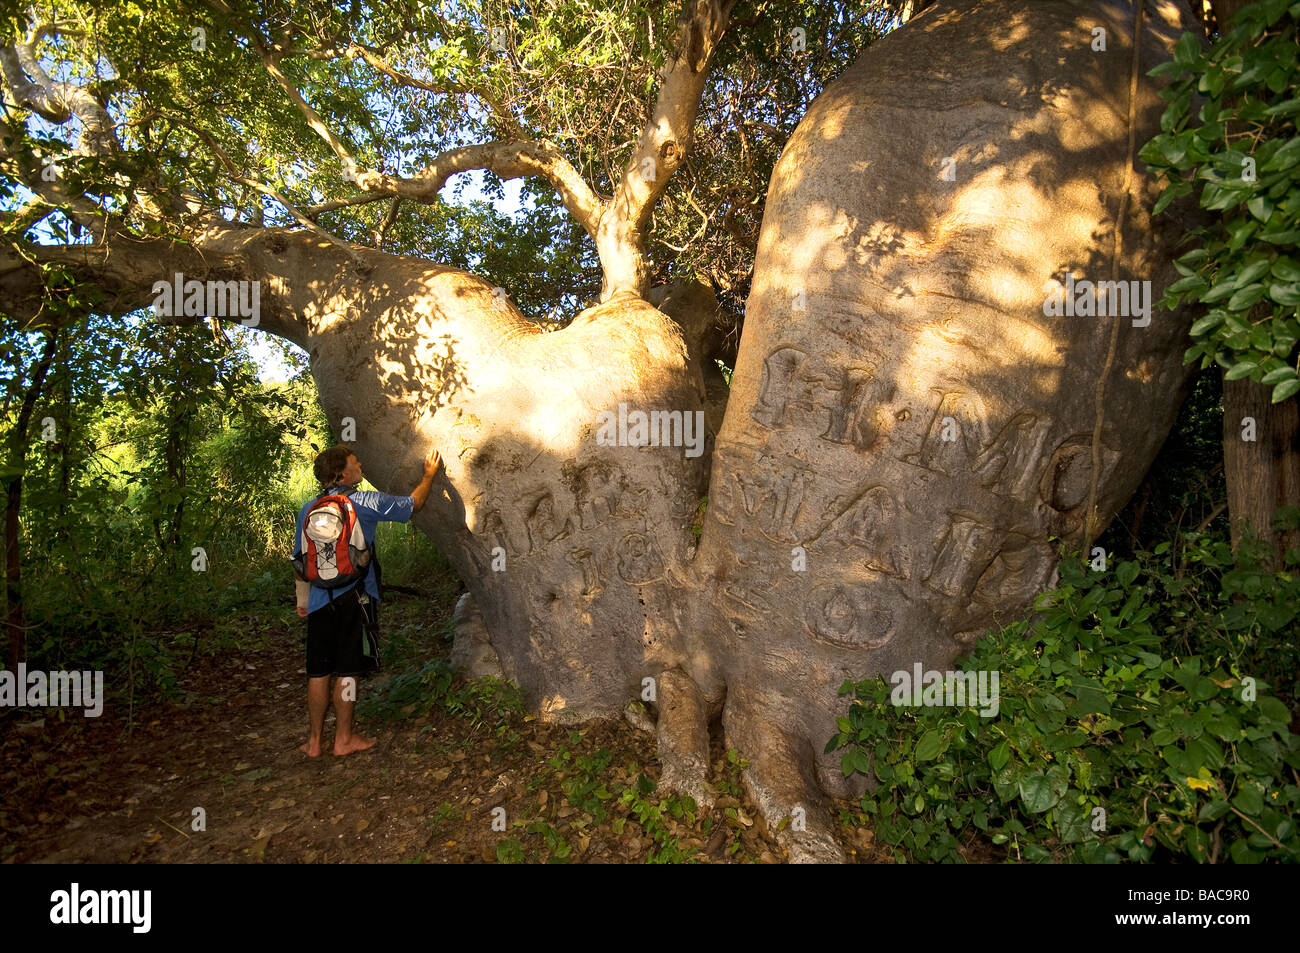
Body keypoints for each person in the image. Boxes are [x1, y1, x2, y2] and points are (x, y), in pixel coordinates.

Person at [293, 444, 442, 757]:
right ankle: (343, 739)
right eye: (355, 462)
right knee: (348, 670)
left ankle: (314, 741)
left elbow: (299, 561)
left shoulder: (308, 509)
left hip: (320, 600)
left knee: (318, 672)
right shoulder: (363, 501)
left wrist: (302, 601)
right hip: (355, 598)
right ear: (344, 473)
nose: (360, 464)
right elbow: (413, 504)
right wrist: (428, 476)